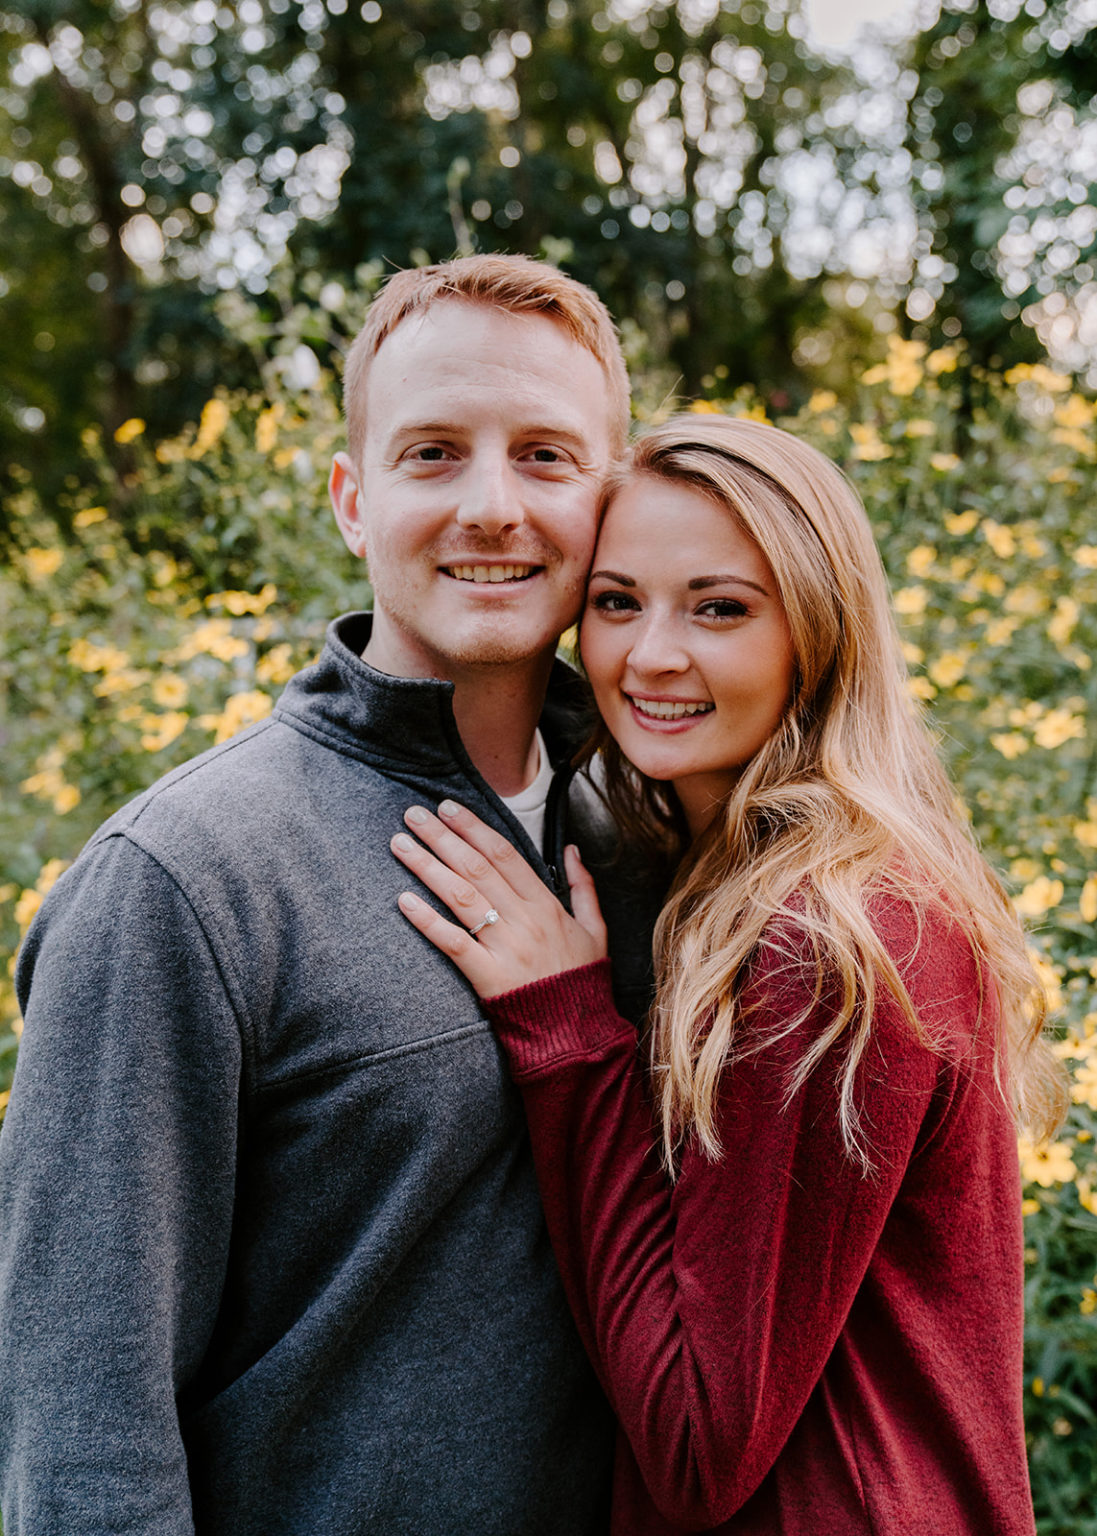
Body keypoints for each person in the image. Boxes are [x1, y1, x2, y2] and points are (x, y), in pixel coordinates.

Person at [0, 255, 663, 1535]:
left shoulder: (651, 836)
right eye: (430, 454)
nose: (490, 506)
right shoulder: (181, 882)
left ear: (608, 500)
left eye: (543, 455)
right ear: (353, 502)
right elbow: (83, 1446)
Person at [390, 413, 1068, 1536]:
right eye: (615, 603)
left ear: (817, 631)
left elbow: (700, 1443)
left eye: (718, 608)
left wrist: (566, 1035)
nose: (651, 655)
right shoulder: (765, 884)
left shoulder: (827, 940)